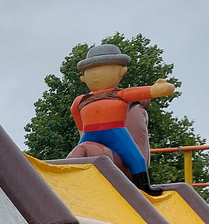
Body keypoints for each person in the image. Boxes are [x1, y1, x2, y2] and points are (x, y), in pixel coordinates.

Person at [69, 43, 175, 194]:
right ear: (83, 78)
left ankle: (144, 186)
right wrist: (82, 132)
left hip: (115, 132)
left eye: (101, 68)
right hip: (90, 133)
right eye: (92, 70)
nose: (96, 74)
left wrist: (158, 88)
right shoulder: (81, 100)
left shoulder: (120, 94)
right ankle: (71, 183)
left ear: (121, 71)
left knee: (136, 158)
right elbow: (76, 114)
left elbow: (145, 92)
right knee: (76, 154)